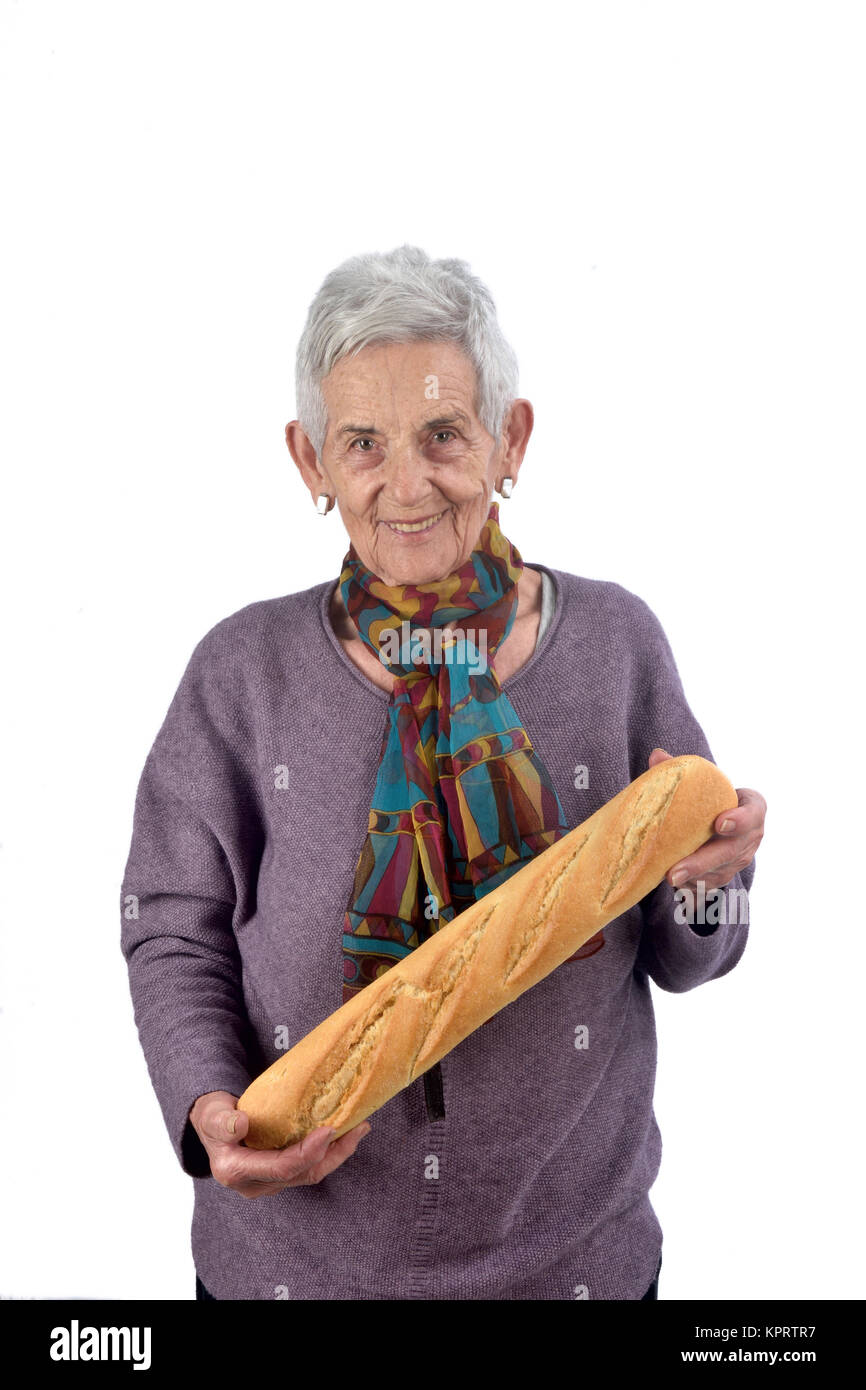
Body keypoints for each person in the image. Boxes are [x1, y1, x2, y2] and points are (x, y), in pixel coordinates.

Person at [120, 244, 765, 1301]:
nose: (405, 483)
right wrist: (207, 1106)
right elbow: (171, 924)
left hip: (575, 1271)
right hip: (293, 1274)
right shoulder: (241, 673)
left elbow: (690, 954)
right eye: (361, 442)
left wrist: (705, 877)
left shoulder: (613, 644)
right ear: (310, 462)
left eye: (442, 435)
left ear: (509, 440)